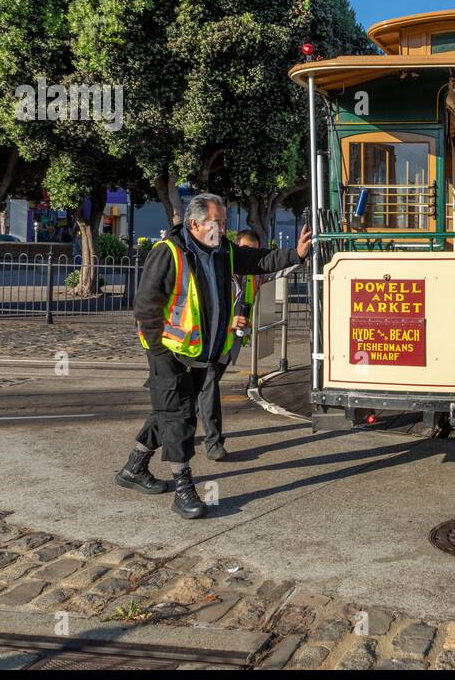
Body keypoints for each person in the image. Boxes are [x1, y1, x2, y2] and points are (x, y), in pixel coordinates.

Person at [116, 194, 311, 519]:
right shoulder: (169, 254)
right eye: (216, 223)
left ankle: (134, 467)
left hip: (201, 354)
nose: (223, 228)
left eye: (223, 222)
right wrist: (159, 351)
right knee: (179, 417)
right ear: (194, 224)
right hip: (169, 353)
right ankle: (183, 489)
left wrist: (296, 254)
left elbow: (258, 260)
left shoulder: (222, 252)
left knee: (169, 410)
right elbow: (146, 307)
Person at [195, 228, 262, 462]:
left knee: (197, 391)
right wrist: (228, 321)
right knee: (209, 390)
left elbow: (279, 268)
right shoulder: (219, 270)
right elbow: (204, 308)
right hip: (210, 342)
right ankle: (213, 442)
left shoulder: (252, 276)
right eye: (244, 251)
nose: (249, 257)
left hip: (229, 344)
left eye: (253, 253)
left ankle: (172, 426)